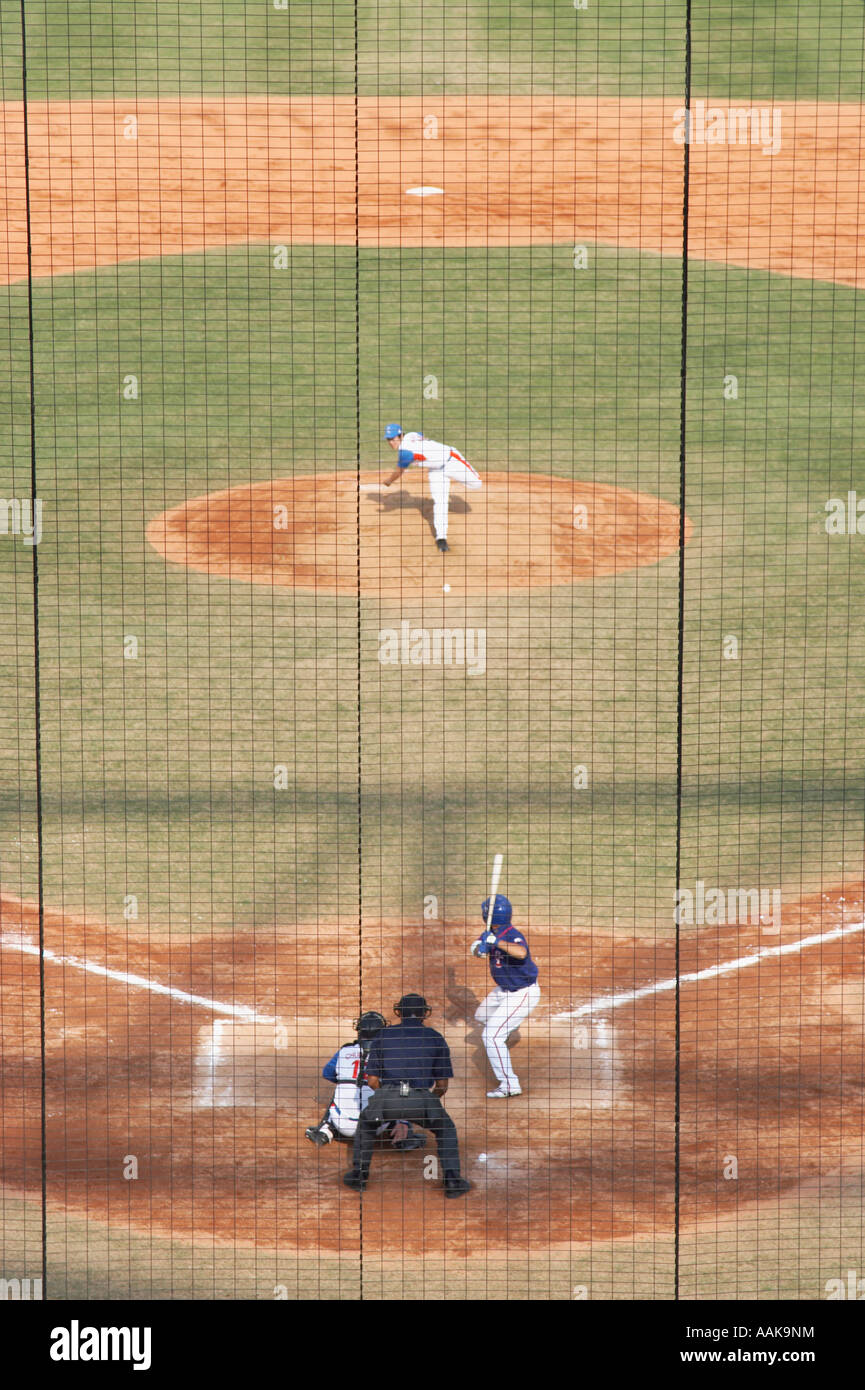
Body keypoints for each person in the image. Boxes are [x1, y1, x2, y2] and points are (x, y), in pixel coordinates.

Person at [342, 994, 471, 1198]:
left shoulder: (382, 1036)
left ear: (398, 1013)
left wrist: (387, 1096)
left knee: (366, 1126)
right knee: (446, 1130)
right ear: (424, 1014)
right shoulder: (435, 1038)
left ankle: (359, 1176)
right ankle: (453, 1181)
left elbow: (373, 1081)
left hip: (387, 1098)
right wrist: (428, 1102)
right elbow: (442, 1085)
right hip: (422, 1098)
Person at [305, 1011, 425, 1150]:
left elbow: (328, 1074)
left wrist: (350, 1079)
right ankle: (404, 1136)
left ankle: (324, 1131)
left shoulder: (344, 1051)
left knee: (343, 1085)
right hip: (375, 1127)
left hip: (342, 1126)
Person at [470, 895, 540, 1097]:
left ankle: (510, 1085)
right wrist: (480, 948)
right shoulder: (490, 933)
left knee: (490, 1037)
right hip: (503, 992)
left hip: (522, 994)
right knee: (481, 1016)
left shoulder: (511, 934)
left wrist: (496, 942)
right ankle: (506, 1027)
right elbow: (475, 949)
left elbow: (520, 953)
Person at [380, 422, 482, 551]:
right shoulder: (411, 435)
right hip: (436, 471)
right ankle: (441, 538)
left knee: (477, 484)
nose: (390, 442)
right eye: (388, 439)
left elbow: (399, 472)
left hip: (452, 460)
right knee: (440, 502)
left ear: (400, 435)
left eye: (393, 438)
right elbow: (421, 435)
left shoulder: (404, 453)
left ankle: (454, 485)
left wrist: (388, 481)